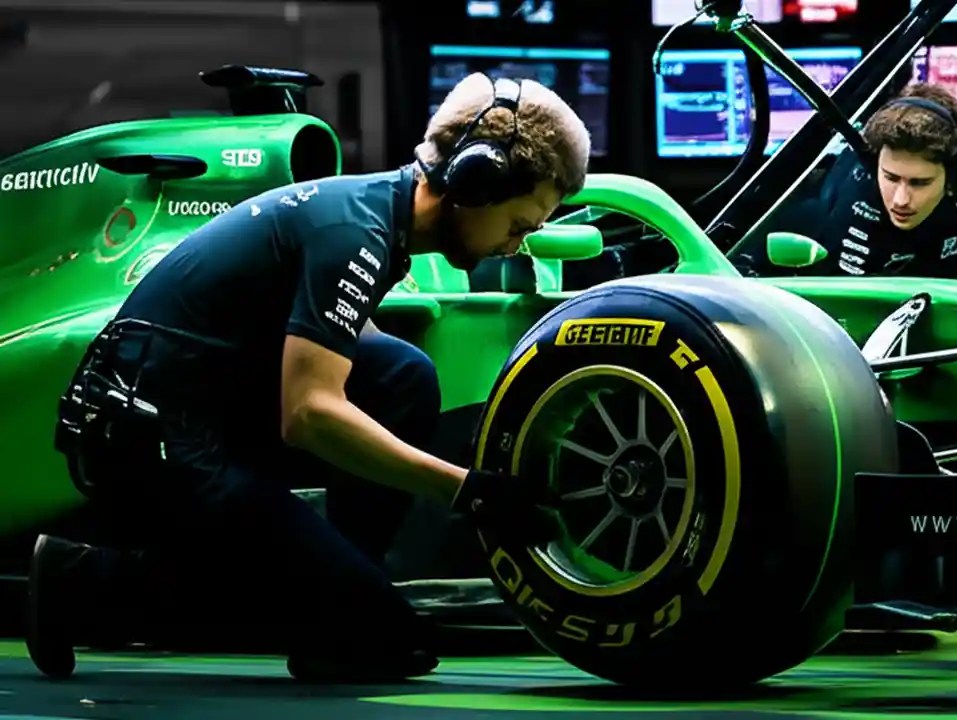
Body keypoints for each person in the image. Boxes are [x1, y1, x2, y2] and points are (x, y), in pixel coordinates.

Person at [26, 72, 592, 683]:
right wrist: (466, 490)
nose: (516, 245)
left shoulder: (374, 216)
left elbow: (352, 366)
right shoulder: (356, 232)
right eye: (518, 225)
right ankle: (76, 580)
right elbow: (308, 415)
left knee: (403, 374)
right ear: (476, 182)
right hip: (146, 442)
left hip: (201, 411)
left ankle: (334, 604)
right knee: (392, 643)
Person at [736, 83, 957, 278]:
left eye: (919, 183)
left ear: (956, 174)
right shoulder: (827, 193)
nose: (900, 199)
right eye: (891, 177)